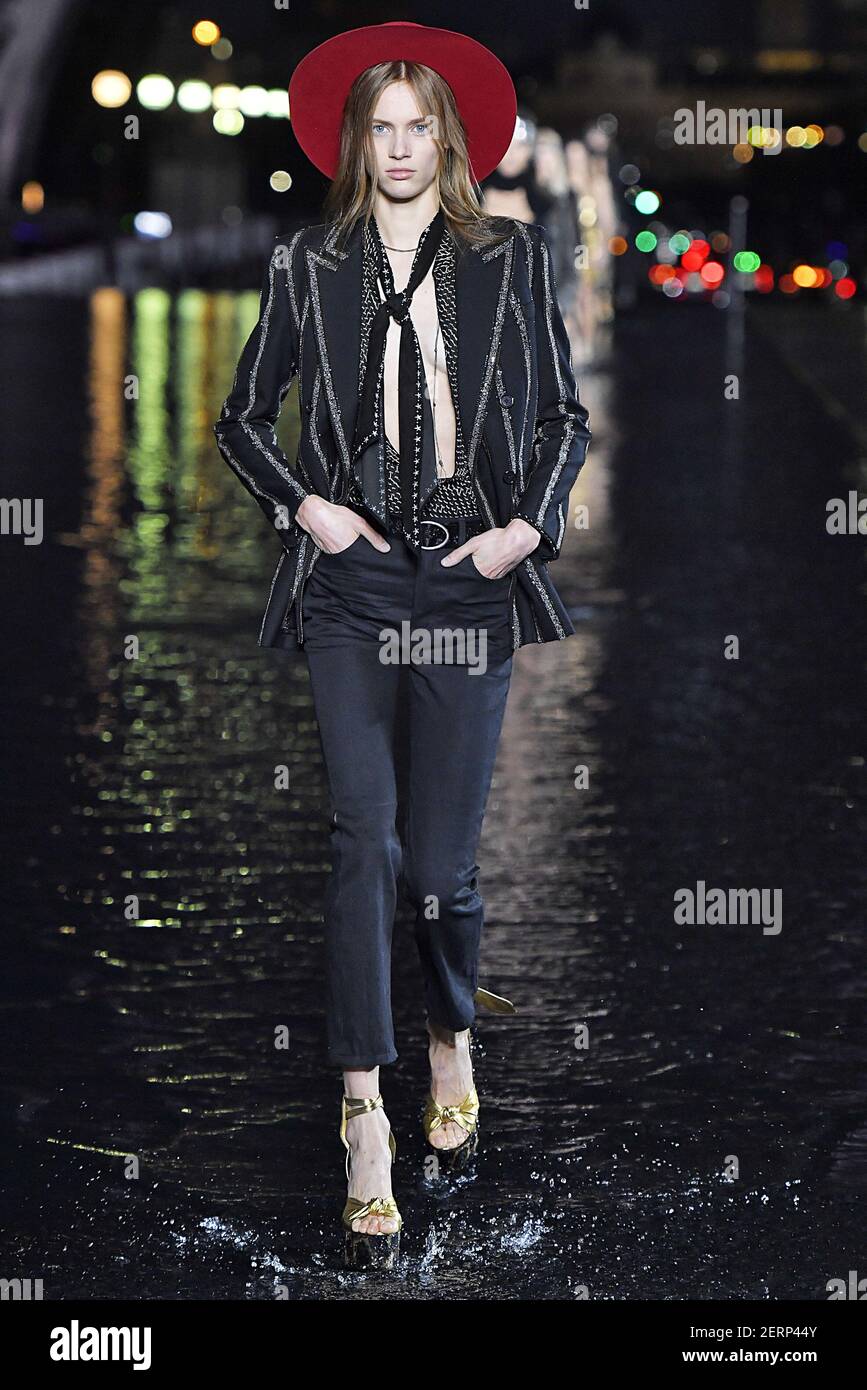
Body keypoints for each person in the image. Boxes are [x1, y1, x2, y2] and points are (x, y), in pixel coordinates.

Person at [213, 20, 591, 1269]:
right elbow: (238, 417)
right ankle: (363, 1107)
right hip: (353, 589)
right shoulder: (308, 263)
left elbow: (560, 414)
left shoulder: (508, 255)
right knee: (362, 843)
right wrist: (305, 508)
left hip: (467, 583)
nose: (400, 145)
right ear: (355, 140)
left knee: (442, 863)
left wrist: (523, 531)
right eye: (380, 125)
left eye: (419, 124)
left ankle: (450, 1034)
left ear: (450, 139)